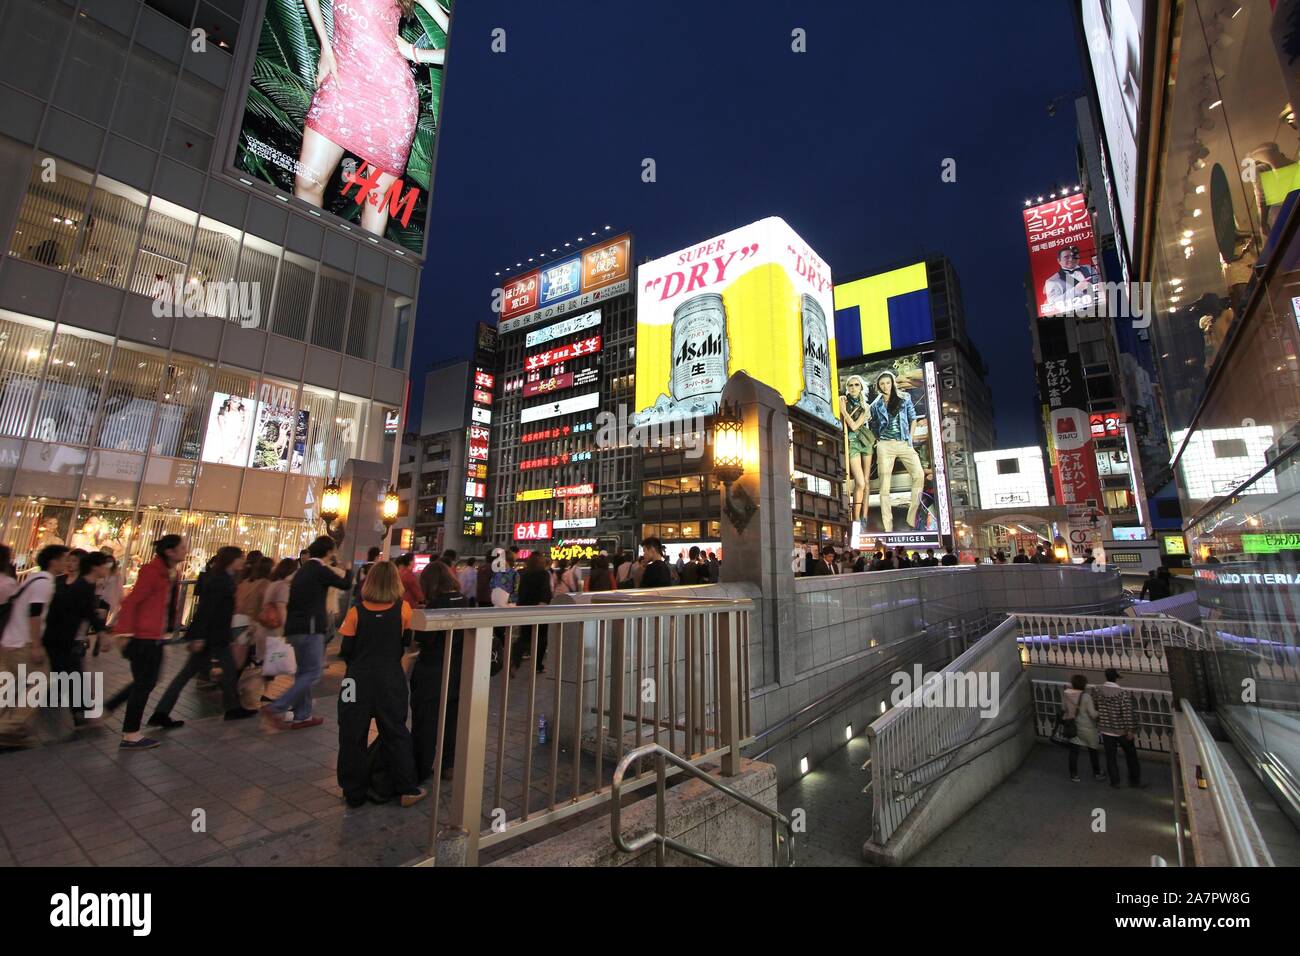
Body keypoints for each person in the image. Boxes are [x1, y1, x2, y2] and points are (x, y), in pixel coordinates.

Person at [293, 0, 449, 237]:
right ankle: (302, 262)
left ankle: (361, 271)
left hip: (391, 99)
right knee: (307, 182)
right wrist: (325, 47)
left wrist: (415, 53)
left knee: (376, 200)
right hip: (341, 80)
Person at [335, 561, 426, 808]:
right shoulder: (404, 610)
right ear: (396, 582)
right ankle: (407, 788)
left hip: (355, 681)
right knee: (395, 731)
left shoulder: (356, 612)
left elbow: (346, 650)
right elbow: (406, 642)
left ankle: (353, 792)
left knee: (351, 734)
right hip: (389, 679)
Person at [151, 546, 257, 726]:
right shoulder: (220, 581)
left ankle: (162, 711)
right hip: (212, 636)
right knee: (215, 672)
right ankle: (231, 708)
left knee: (195, 673)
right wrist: (198, 636)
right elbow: (207, 610)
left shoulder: (224, 579)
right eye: (240, 558)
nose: (243, 561)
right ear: (231, 560)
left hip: (214, 635)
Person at [105, 535, 187, 750]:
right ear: (169, 551)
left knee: (147, 681)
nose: (185, 551)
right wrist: (123, 632)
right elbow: (132, 601)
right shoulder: (152, 572)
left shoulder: (170, 573)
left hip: (155, 636)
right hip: (143, 637)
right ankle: (130, 733)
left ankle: (111, 710)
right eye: (182, 547)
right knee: (145, 682)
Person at [263, 536, 352, 731]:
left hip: (294, 628)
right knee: (313, 672)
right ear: (329, 552)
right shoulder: (319, 570)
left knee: (303, 672)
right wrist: (349, 569)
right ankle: (277, 707)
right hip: (310, 628)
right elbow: (345, 584)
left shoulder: (301, 571)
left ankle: (302, 716)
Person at [0, 546, 69, 747]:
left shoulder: (33, 578)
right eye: (65, 558)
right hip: (23, 641)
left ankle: (9, 727)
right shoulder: (45, 583)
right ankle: (8, 727)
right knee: (40, 679)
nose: (67, 563)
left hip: (10, 639)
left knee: (8, 686)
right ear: (53, 561)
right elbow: (35, 613)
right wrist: (36, 644)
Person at [42, 551, 114, 738]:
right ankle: (84, 714)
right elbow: (87, 612)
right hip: (59, 639)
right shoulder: (81, 586)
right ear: (95, 567)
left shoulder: (85, 585)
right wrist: (102, 633)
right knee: (71, 675)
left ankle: (82, 715)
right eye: (105, 565)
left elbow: (87, 612)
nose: (107, 569)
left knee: (72, 675)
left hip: (64, 638)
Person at [869, 371, 925, 533]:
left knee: (919, 475)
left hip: (903, 442)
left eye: (887, 382)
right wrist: (876, 441)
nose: (885, 386)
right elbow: (873, 425)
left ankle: (911, 517)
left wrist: (910, 439)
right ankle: (888, 526)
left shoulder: (904, 398)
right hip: (884, 445)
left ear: (892, 382)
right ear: (878, 386)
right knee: (884, 487)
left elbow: (912, 418)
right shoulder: (876, 405)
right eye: (882, 384)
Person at [1094, 668, 1147, 789]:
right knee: (1131, 756)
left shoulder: (1097, 690)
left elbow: (1095, 706)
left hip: (1106, 729)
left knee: (1110, 757)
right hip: (1121, 730)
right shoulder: (1122, 694)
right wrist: (1130, 730)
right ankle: (1134, 781)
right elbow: (1127, 713)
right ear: (1116, 678)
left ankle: (1115, 781)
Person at [839, 374, 876, 525]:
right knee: (860, 482)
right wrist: (842, 409)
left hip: (865, 441)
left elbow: (854, 426)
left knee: (866, 481)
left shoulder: (865, 407)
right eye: (850, 385)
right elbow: (850, 427)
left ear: (861, 387)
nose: (853, 388)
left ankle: (863, 516)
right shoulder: (842, 400)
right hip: (852, 442)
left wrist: (844, 412)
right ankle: (856, 517)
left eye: (856, 385)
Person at [512, 552, 553, 675]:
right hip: (539, 610)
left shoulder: (525, 574)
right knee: (541, 639)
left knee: (524, 637)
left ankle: (515, 661)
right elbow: (546, 592)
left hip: (525, 608)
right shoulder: (544, 574)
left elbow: (521, 592)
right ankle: (538, 665)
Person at [1062, 674, 1104, 783]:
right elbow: (1093, 714)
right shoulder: (1086, 697)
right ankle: (1097, 773)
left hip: (1074, 727)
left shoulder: (1066, 694)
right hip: (1087, 728)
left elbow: (1063, 708)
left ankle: (1074, 775)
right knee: (1093, 751)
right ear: (1084, 685)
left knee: (1074, 752)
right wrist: (1101, 712)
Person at [1042, 245, 1098, 314]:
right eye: (1066, 257)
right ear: (1059, 261)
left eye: (1074, 255)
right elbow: (1053, 305)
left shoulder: (1088, 267)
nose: (1071, 259)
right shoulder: (1051, 281)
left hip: (1098, 307)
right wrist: (1076, 289)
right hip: (1075, 315)